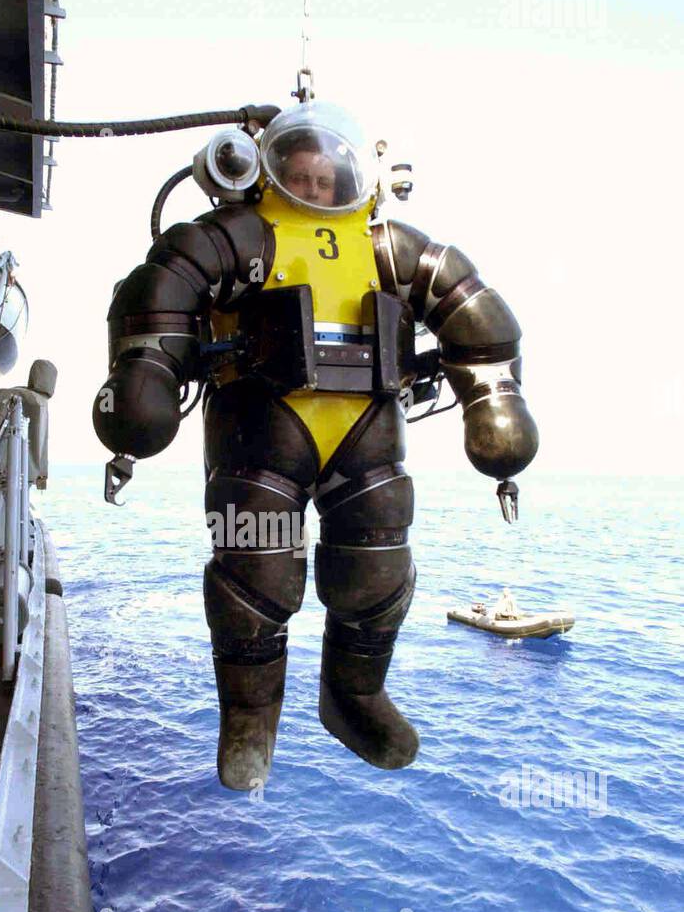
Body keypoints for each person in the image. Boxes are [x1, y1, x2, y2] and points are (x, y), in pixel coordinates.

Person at [93, 100, 539, 790]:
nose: (315, 181)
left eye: (327, 172)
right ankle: (249, 717)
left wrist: (493, 398)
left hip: (367, 437)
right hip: (260, 433)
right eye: (300, 169)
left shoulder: (383, 245)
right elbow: (164, 287)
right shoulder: (240, 235)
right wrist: (148, 373)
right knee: (253, 581)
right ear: (266, 171)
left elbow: (469, 304)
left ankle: (354, 696)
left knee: (378, 576)